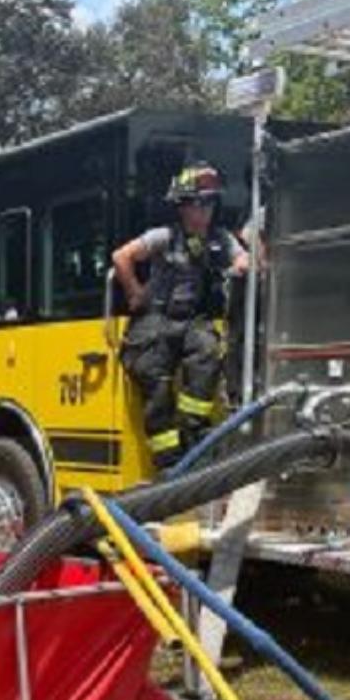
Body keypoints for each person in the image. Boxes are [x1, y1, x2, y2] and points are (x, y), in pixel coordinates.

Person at [111, 163, 250, 470]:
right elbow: (121, 257)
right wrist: (134, 292)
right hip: (155, 322)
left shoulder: (221, 239)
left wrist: (243, 263)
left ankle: (193, 430)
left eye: (209, 203)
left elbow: (243, 258)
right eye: (197, 203)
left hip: (191, 321)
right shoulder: (163, 237)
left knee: (209, 349)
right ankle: (169, 464)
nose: (204, 211)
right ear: (182, 207)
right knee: (156, 386)